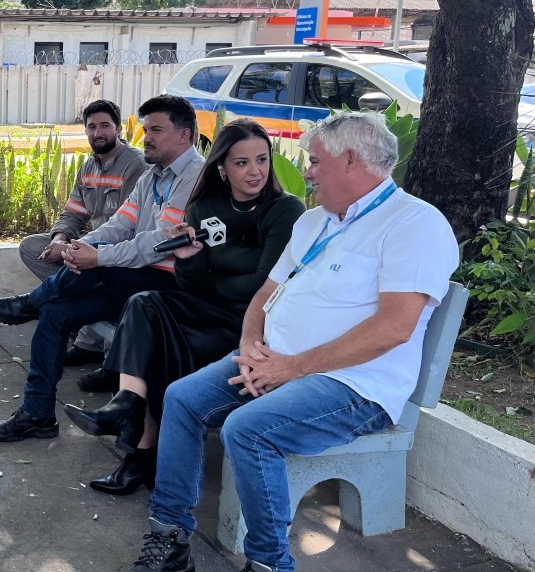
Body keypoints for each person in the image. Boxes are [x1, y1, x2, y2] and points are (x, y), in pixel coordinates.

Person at [124, 111, 458, 572]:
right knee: (181, 398)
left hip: (354, 385)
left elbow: (394, 327)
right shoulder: (315, 220)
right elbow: (266, 293)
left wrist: (292, 367)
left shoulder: (414, 224)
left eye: (316, 161)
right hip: (274, 361)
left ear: (350, 160)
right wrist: (248, 344)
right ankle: (170, 536)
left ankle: (269, 563)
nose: (307, 172)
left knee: (248, 429)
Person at [61, 120, 304, 496]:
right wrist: (189, 259)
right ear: (222, 168)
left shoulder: (286, 210)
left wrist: (213, 275)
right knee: (144, 304)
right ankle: (127, 405)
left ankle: (140, 453)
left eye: (261, 159)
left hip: (251, 323)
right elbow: (191, 282)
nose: (255, 171)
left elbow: (264, 283)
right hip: (203, 308)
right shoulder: (205, 207)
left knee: (158, 347)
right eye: (241, 163)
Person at [0, 94, 204, 442]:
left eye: (156, 130)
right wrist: (80, 248)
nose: (146, 137)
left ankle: (31, 302)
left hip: (170, 288)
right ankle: (37, 413)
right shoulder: (153, 176)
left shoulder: (196, 177)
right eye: (146, 129)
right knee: (55, 314)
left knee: (97, 262)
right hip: (133, 281)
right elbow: (120, 224)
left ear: (184, 135)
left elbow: (158, 244)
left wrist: (96, 257)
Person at [19, 99, 147, 366]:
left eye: (105, 126)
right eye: (91, 127)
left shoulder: (135, 165)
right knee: (32, 248)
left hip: (116, 254)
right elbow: (73, 213)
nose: (98, 133)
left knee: (85, 270)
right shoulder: (88, 166)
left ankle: (84, 335)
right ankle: (81, 312)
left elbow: (129, 227)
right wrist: (59, 240)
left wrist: (80, 249)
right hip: (87, 245)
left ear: (118, 129)